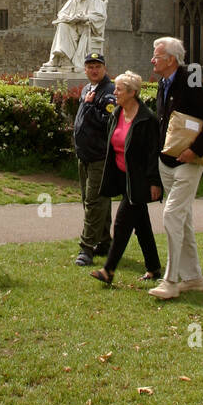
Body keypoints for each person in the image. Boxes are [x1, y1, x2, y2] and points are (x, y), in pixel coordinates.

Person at [148, 37, 203, 300]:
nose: (152, 60)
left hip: (188, 162)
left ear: (171, 59)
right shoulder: (162, 83)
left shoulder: (190, 79)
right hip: (167, 161)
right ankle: (194, 278)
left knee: (172, 215)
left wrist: (195, 151)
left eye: (156, 56)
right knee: (184, 219)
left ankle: (171, 280)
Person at [90, 71, 162, 284]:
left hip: (139, 180)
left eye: (119, 89)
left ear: (132, 93)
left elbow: (152, 153)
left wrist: (155, 182)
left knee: (122, 224)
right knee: (141, 224)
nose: (115, 92)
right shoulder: (117, 113)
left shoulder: (147, 119)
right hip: (122, 176)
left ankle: (108, 270)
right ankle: (154, 268)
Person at [72, 53, 116, 267]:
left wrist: (90, 107)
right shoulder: (87, 89)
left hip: (100, 156)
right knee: (98, 201)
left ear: (104, 68)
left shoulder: (109, 92)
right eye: (90, 66)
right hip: (85, 155)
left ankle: (86, 248)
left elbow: (108, 122)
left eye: (97, 66)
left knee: (93, 202)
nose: (94, 70)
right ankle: (105, 241)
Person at [43, 0, 108, 72]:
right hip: (73, 28)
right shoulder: (73, 0)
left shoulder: (95, 0)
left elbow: (100, 16)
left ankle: (63, 57)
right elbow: (61, 13)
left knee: (65, 28)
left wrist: (84, 17)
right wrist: (68, 18)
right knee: (62, 25)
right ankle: (58, 58)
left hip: (85, 28)